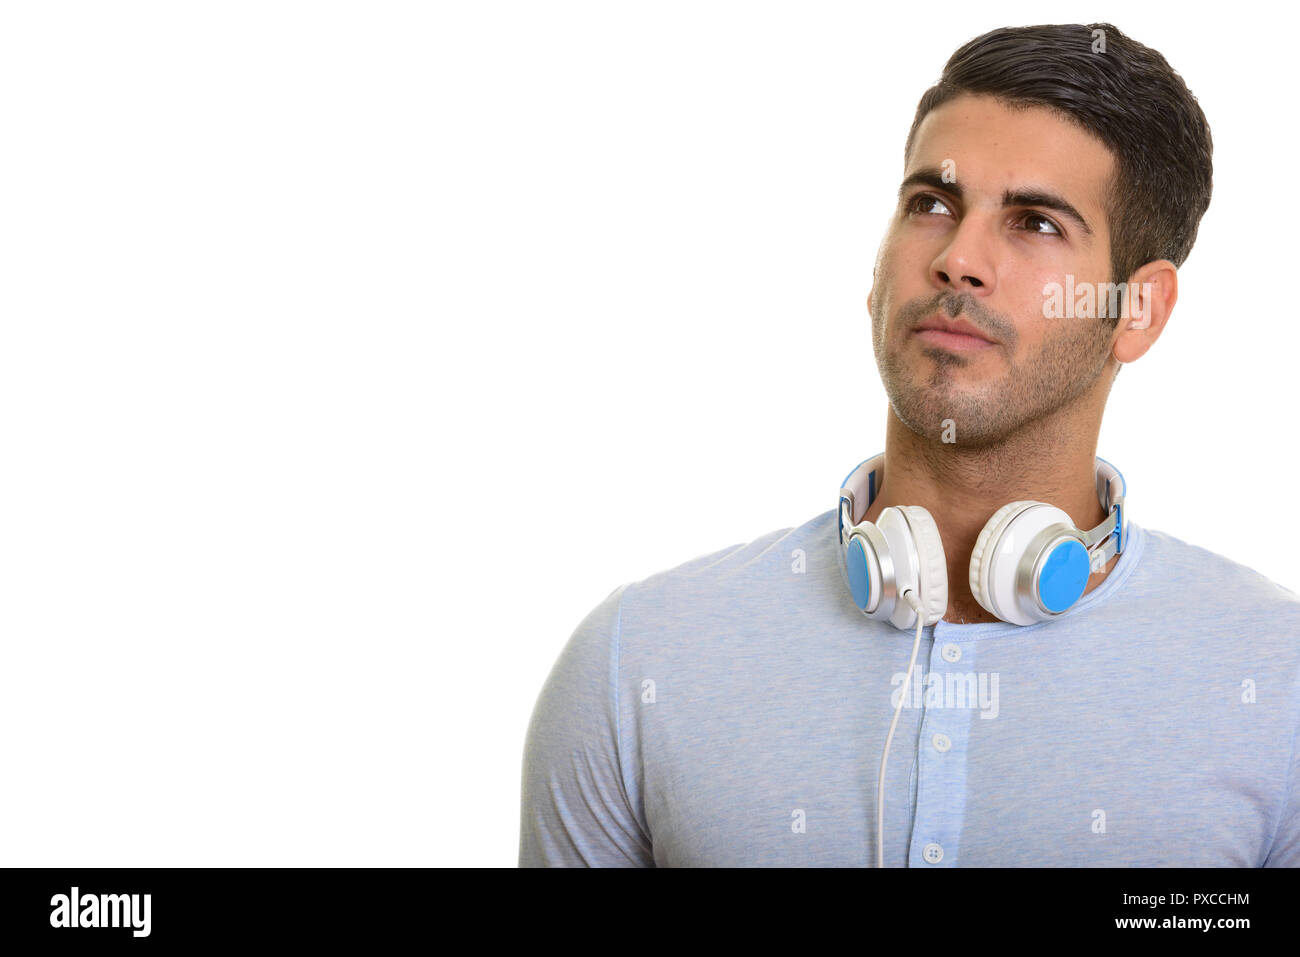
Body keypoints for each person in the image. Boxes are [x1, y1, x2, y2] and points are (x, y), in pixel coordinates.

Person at [517, 22, 1300, 867]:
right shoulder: (638, 660)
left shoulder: (1276, 684)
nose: (959, 260)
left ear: (1138, 310)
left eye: (1035, 223)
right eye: (932, 205)